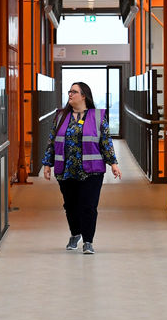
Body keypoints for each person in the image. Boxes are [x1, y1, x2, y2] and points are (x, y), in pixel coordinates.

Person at [40, 82, 122, 255]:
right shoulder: (60, 116)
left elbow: (105, 141)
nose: (70, 94)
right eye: (69, 92)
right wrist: (47, 164)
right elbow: (51, 142)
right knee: (70, 206)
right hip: (66, 169)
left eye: (74, 92)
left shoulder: (97, 116)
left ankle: (88, 241)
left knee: (88, 206)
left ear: (84, 96)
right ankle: (75, 233)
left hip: (91, 170)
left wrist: (113, 163)